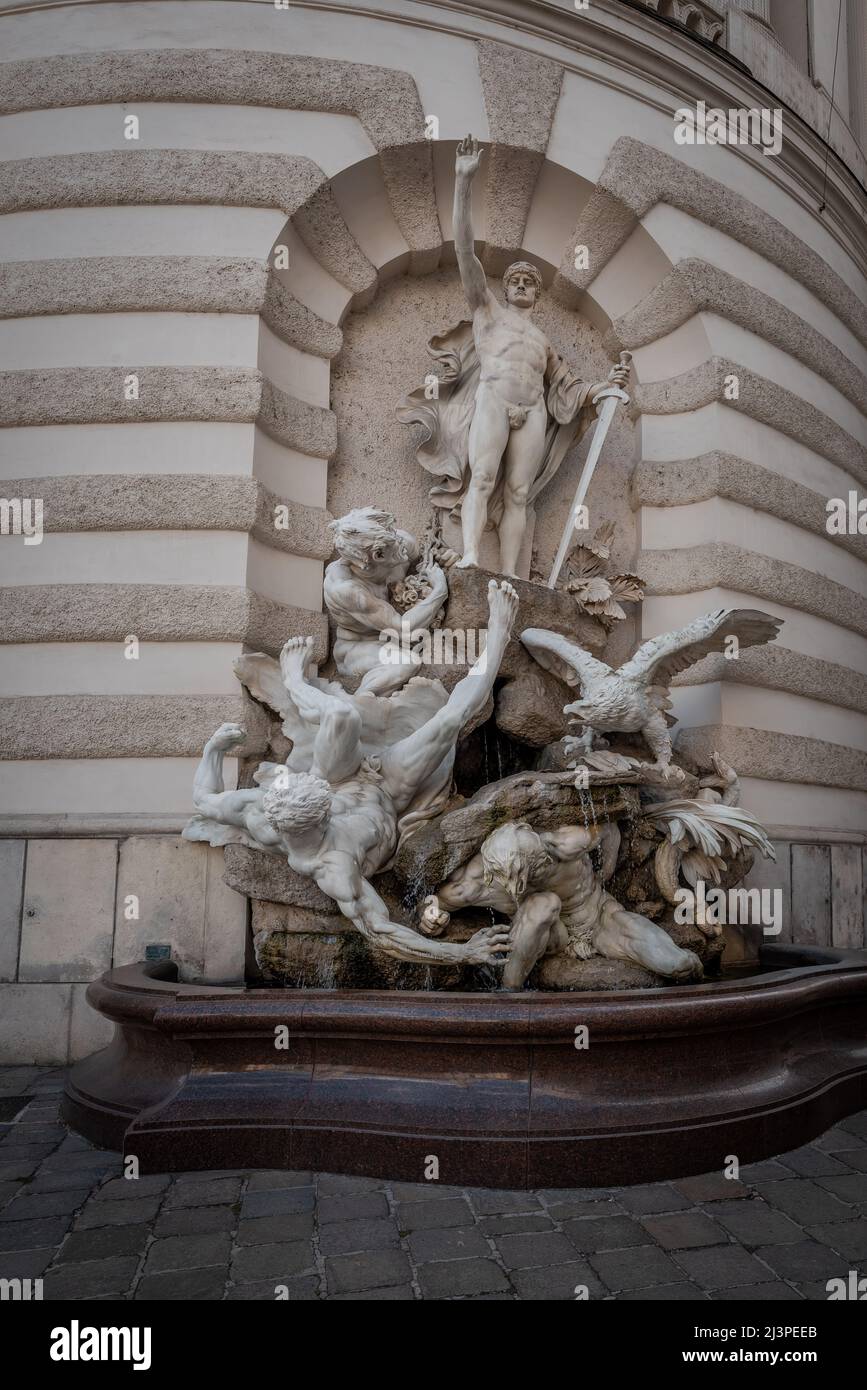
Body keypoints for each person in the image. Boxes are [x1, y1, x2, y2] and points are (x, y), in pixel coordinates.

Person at [186, 581, 520, 968]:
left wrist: (212, 750)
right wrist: (462, 953)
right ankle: (498, 634)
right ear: (322, 815)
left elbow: (203, 800)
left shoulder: (258, 808)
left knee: (342, 715)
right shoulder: (335, 868)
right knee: (449, 721)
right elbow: (384, 932)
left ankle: (294, 683)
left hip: (342, 779)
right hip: (390, 795)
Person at [421, 819, 703, 988]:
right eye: (536, 868)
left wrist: (607, 869)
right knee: (544, 902)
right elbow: (436, 903)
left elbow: (608, 827)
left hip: (599, 917)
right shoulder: (478, 881)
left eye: (540, 860)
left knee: (676, 964)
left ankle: (696, 972)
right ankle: (508, 994)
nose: (544, 866)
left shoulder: (564, 844)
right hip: (552, 936)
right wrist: (430, 916)